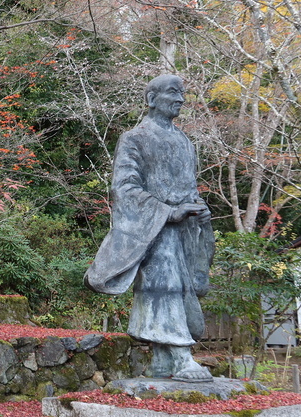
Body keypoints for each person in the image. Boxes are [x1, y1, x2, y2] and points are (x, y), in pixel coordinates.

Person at [85, 74, 215, 382]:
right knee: (165, 286)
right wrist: (168, 212)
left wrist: (197, 208)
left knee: (180, 288)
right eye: (173, 92)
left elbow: (188, 187)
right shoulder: (135, 138)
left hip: (186, 229)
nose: (180, 99)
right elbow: (124, 188)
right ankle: (181, 357)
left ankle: (160, 360)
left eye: (182, 93)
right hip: (154, 228)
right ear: (151, 99)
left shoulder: (185, 141)